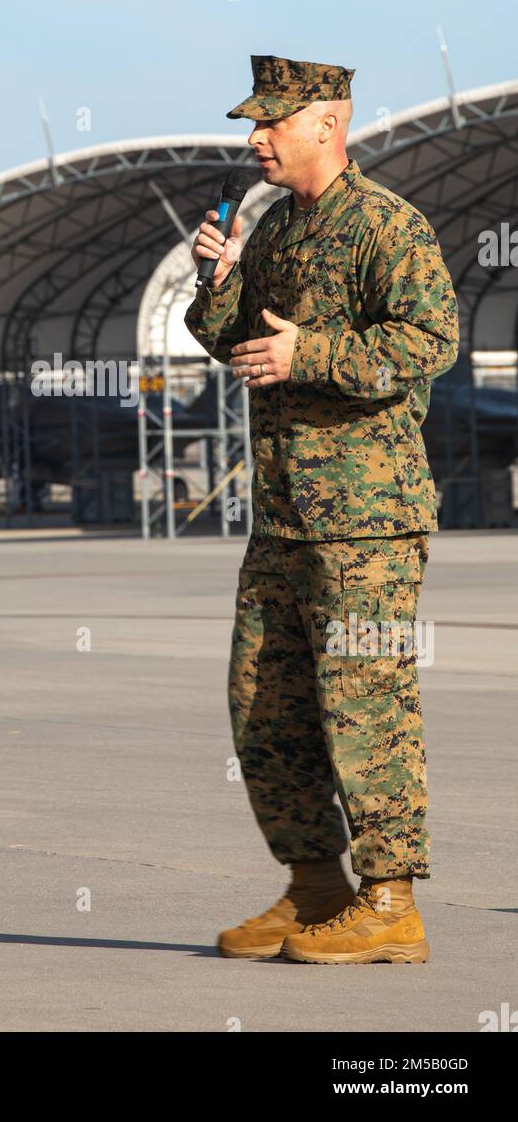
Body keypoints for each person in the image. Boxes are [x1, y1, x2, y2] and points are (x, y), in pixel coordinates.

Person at [185, 55, 459, 964]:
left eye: (271, 123)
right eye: (252, 125)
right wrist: (217, 283)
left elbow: (429, 341)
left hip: (367, 524)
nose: (255, 139)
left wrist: (314, 354)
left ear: (327, 124)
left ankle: (391, 904)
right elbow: (235, 341)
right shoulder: (274, 229)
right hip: (285, 515)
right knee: (265, 705)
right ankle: (315, 888)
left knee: (366, 702)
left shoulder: (387, 225)